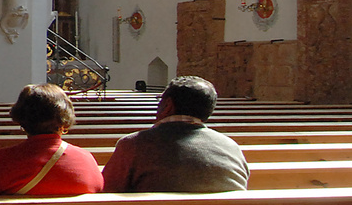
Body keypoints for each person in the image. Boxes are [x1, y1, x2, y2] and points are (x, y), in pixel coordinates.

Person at [101, 76, 250, 192]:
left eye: (160, 101)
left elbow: (107, 191)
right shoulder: (231, 147)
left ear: (168, 105)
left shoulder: (133, 145)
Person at [0, 84, 103, 196]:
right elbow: (99, 191)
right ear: (64, 119)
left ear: (21, 119)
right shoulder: (85, 159)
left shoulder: (0, 161)